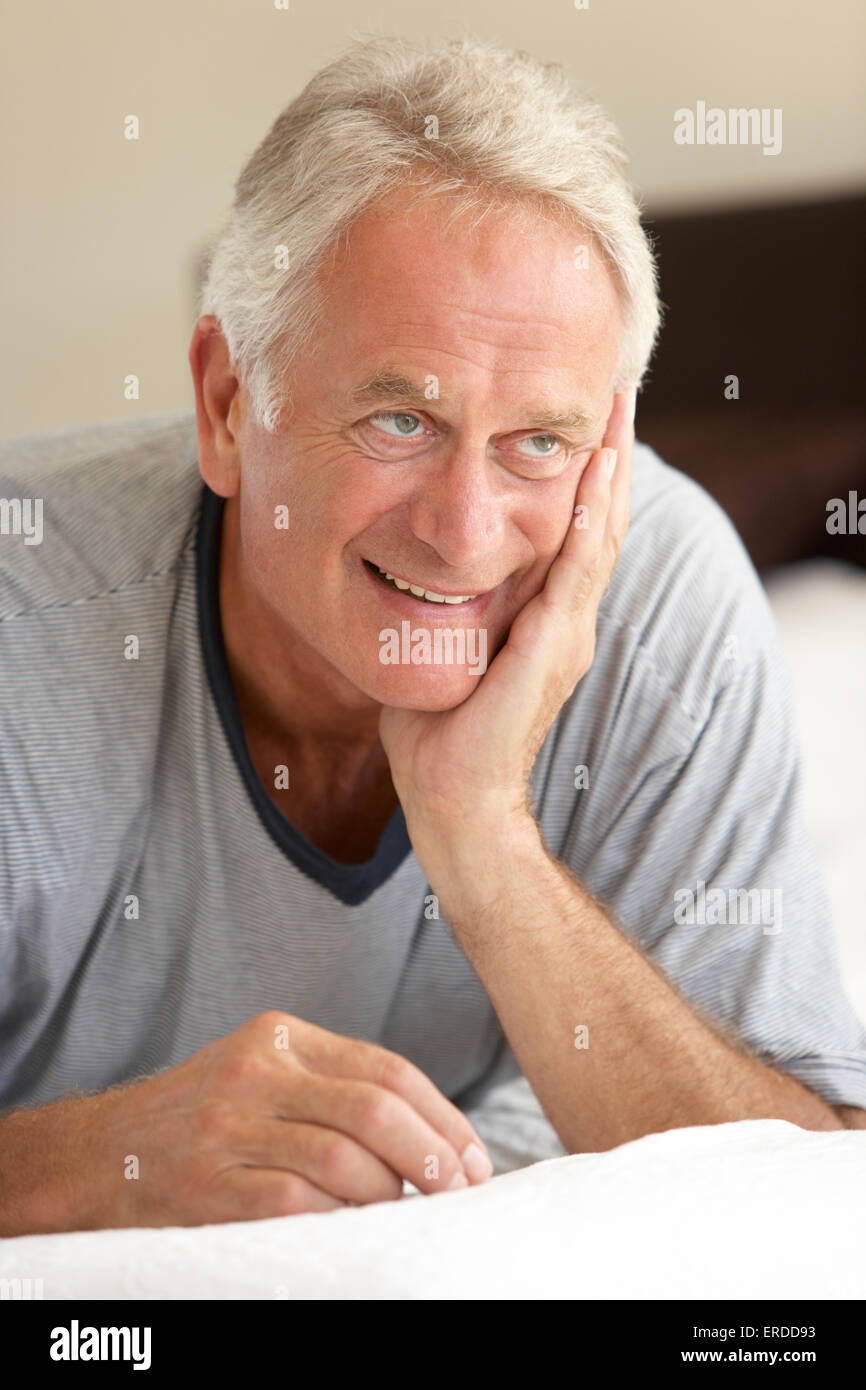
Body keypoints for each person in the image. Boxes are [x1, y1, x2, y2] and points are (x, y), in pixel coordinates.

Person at [1, 34, 864, 1238]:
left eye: (537, 443)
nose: (463, 537)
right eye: (400, 418)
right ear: (225, 403)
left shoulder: (655, 591)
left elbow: (802, 1203)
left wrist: (480, 828)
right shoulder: (21, 638)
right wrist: (103, 1161)